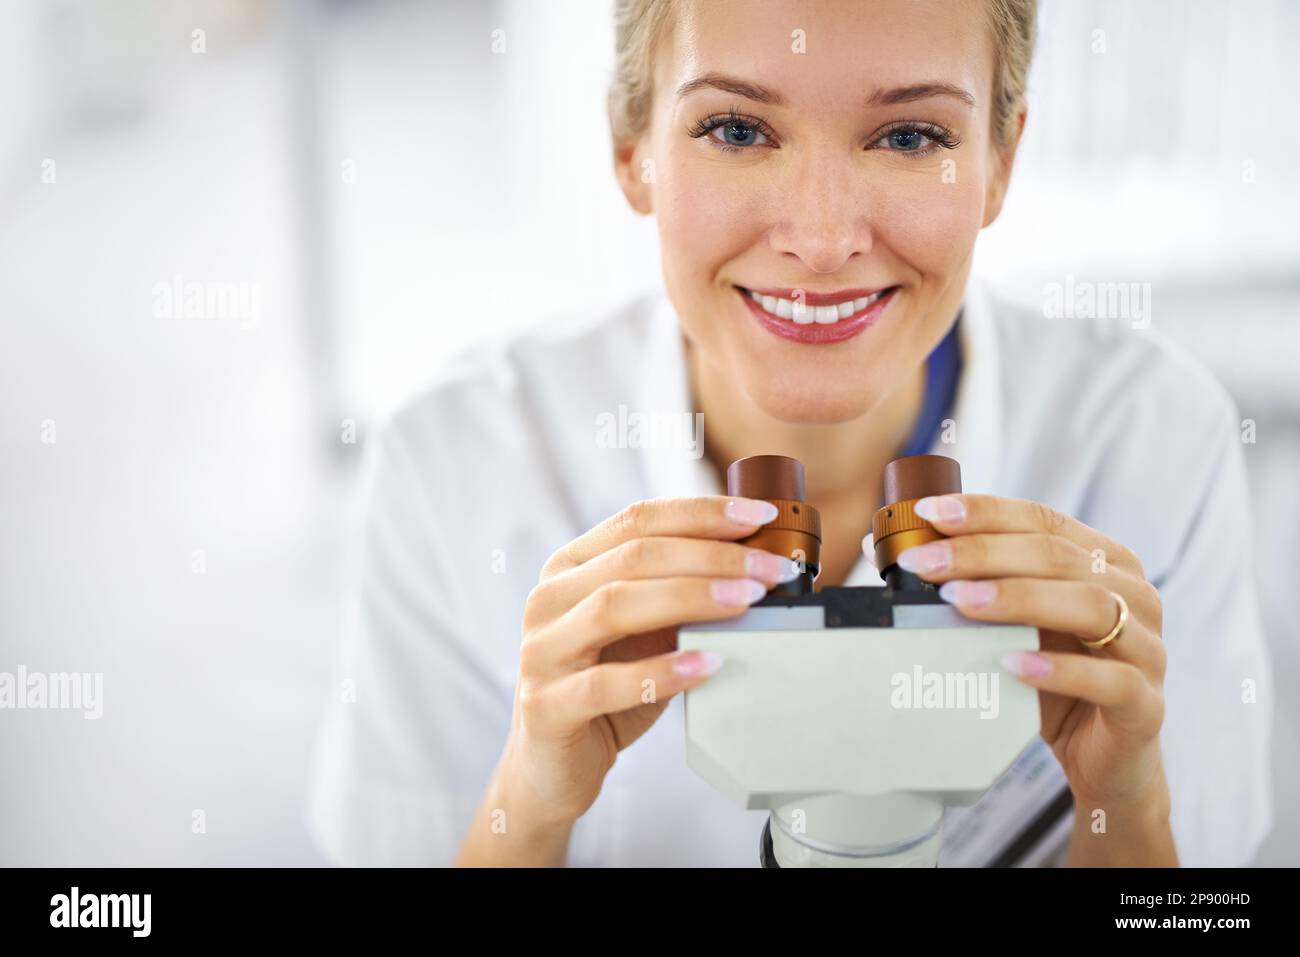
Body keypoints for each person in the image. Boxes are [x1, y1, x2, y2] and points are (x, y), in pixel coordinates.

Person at [305, 0, 1272, 867]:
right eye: (735, 127)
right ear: (630, 146)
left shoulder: (1152, 441)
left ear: (999, 163)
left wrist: (1125, 808)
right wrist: (532, 797)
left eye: (906, 134)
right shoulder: (448, 463)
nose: (820, 237)